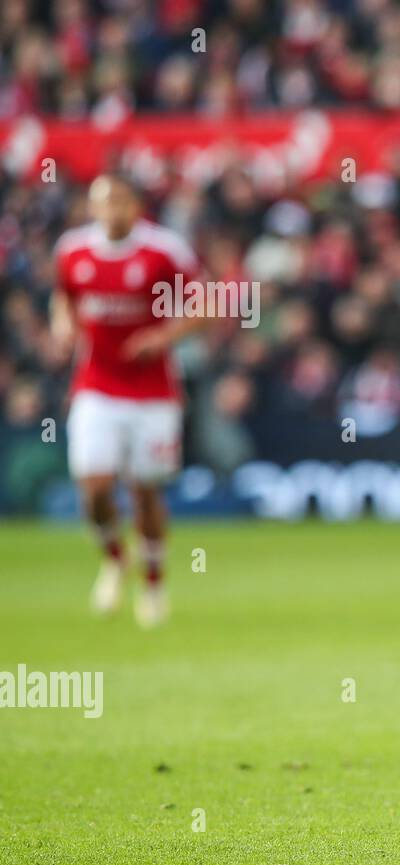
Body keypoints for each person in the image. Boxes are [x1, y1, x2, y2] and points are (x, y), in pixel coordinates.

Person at [50, 174, 207, 627]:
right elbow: (64, 299)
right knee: (94, 487)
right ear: (92, 208)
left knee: (144, 490)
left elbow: (206, 305)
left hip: (153, 390)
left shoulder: (163, 251)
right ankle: (114, 557)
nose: (113, 211)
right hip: (96, 385)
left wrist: (163, 335)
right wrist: (62, 325)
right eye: (104, 203)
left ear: (136, 206)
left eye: (121, 201)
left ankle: (153, 582)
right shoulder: (73, 251)